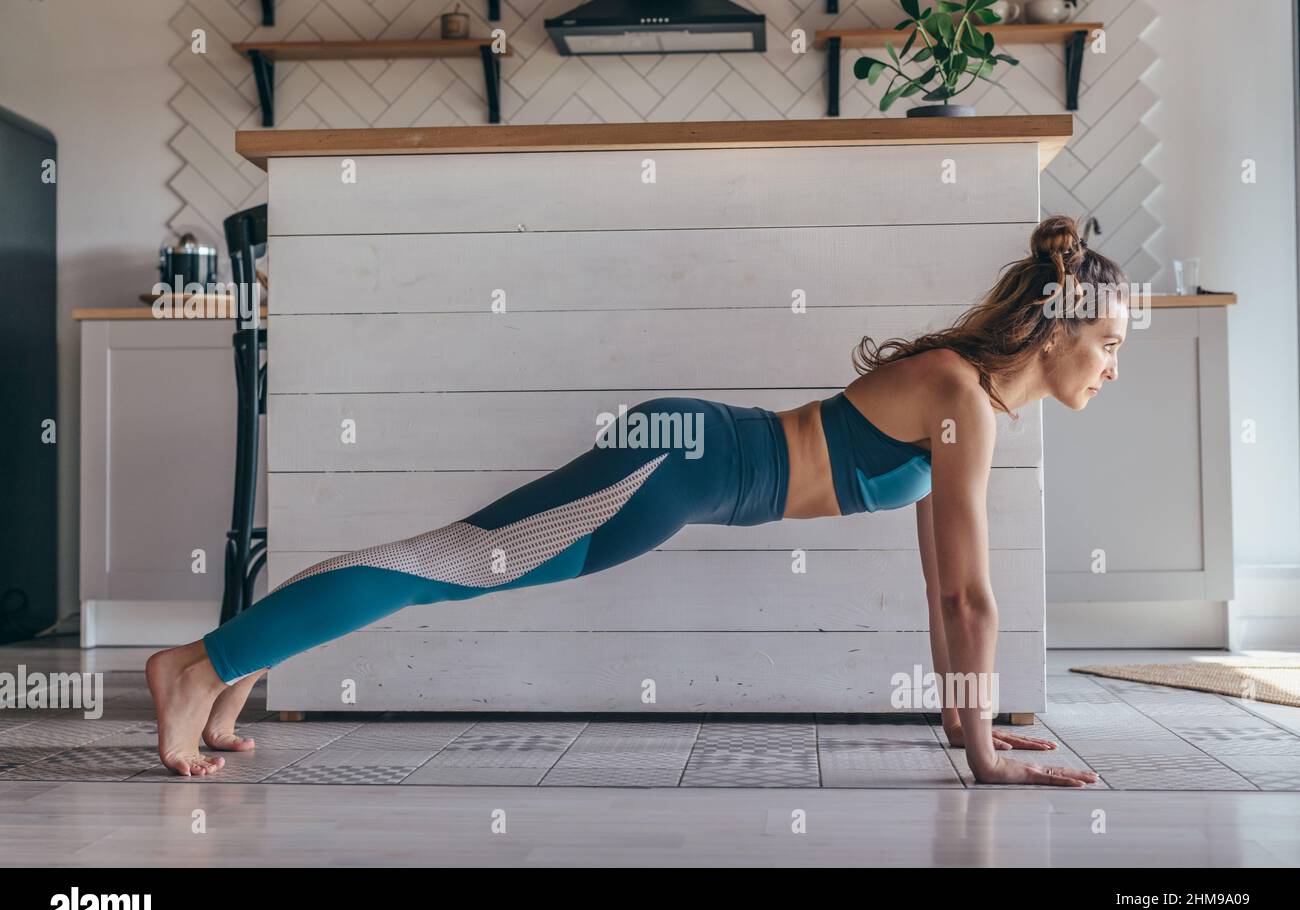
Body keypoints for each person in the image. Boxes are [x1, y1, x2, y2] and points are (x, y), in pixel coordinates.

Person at [147, 214, 1125, 786]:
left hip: (684, 469)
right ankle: (196, 667)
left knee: (441, 563)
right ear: (1058, 333)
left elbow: (940, 593)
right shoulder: (961, 397)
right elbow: (968, 601)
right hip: (674, 468)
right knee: (441, 567)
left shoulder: (969, 399)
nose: (1113, 370)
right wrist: (987, 763)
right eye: (1111, 345)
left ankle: (237, 667)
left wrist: (969, 731)